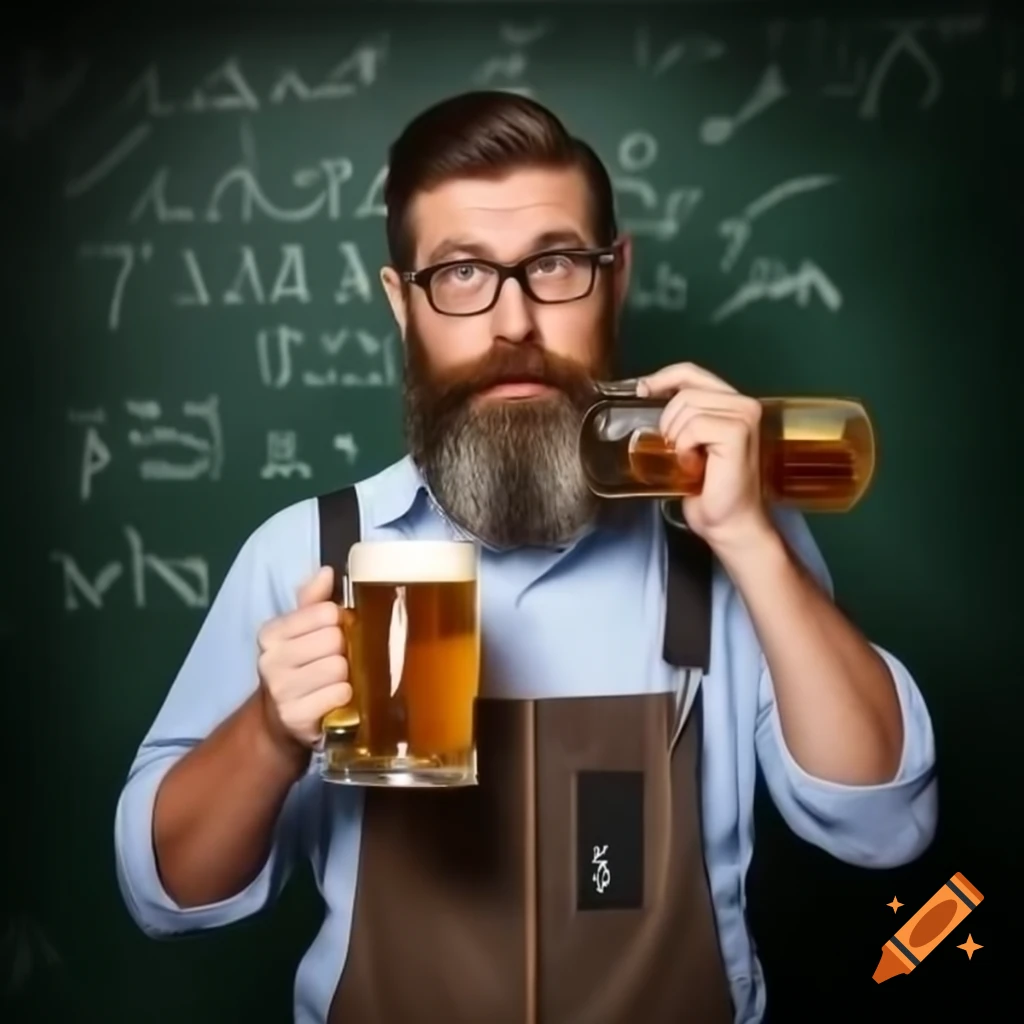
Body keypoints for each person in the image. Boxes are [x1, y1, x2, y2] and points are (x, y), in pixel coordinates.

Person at [114, 91, 937, 1023]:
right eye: (461, 274)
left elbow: (888, 828)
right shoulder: (308, 551)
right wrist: (269, 734)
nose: (512, 322)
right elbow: (164, 896)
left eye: (553, 264)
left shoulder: (731, 535)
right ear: (402, 303)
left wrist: (751, 541)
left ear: (615, 277)